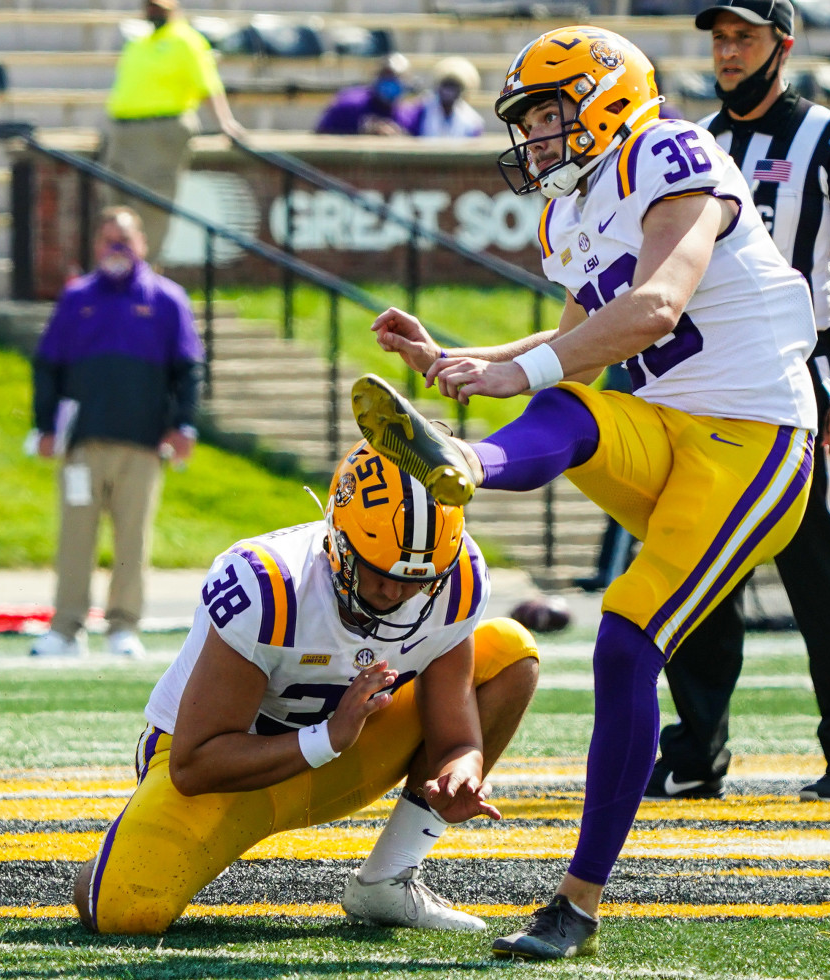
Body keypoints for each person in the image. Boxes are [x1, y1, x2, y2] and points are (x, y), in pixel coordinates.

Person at [350, 25, 818, 960]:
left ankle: (576, 903)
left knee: (622, 645)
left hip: (756, 447)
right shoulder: (567, 214)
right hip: (666, 433)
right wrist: (461, 358)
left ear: (606, 97)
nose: (537, 136)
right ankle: (468, 467)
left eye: (550, 112)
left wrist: (514, 378)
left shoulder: (669, 149)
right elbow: (569, 344)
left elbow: (654, 310)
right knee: (566, 398)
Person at [72, 440, 540, 935]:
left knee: (510, 651)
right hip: (228, 774)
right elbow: (194, 763)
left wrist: (461, 771)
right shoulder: (270, 585)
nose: (396, 593)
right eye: (379, 572)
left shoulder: (456, 579)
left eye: (416, 580)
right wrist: (328, 737)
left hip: (351, 753)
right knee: (119, 911)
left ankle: (389, 878)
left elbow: (456, 739)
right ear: (338, 541)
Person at [648, 0, 830, 806]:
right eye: (720, 39)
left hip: (802, 373)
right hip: (710, 381)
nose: (727, 53)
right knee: (695, 567)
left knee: (823, 569)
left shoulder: (828, 137)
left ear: (780, 45)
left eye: (743, 37)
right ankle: (696, 755)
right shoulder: (699, 144)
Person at [30, 206, 205, 660]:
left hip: (143, 445)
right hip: (84, 443)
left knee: (131, 540)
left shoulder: (167, 300)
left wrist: (183, 425)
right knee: (75, 538)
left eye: (125, 241)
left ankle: (123, 626)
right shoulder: (77, 299)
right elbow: (48, 366)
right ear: (96, 246)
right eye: (109, 241)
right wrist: (44, 426)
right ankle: (67, 628)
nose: (117, 250)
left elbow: (188, 370)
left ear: (142, 246)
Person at [103, 0, 245, 260]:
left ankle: (143, 272)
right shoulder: (140, 40)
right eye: (149, 6)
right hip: (124, 133)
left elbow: (208, 83)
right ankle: (115, 274)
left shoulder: (186, 40)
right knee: (116, 210)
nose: (152, 11)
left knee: (150, 207)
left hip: (160, 132)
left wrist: (224, 121)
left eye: (158, 7)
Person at [315, 53, 419, 136]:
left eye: (397, 77)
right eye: (385, 75)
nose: (390, 82)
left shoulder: (410, 115)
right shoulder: (348, 105)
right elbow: (320, 138)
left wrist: (397, 137)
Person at [410, 57, 486, 138]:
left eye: (454, 86)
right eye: (445, 85)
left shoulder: (472, 121)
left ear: (461, 92)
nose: (448, 91)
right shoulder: (422, 111)